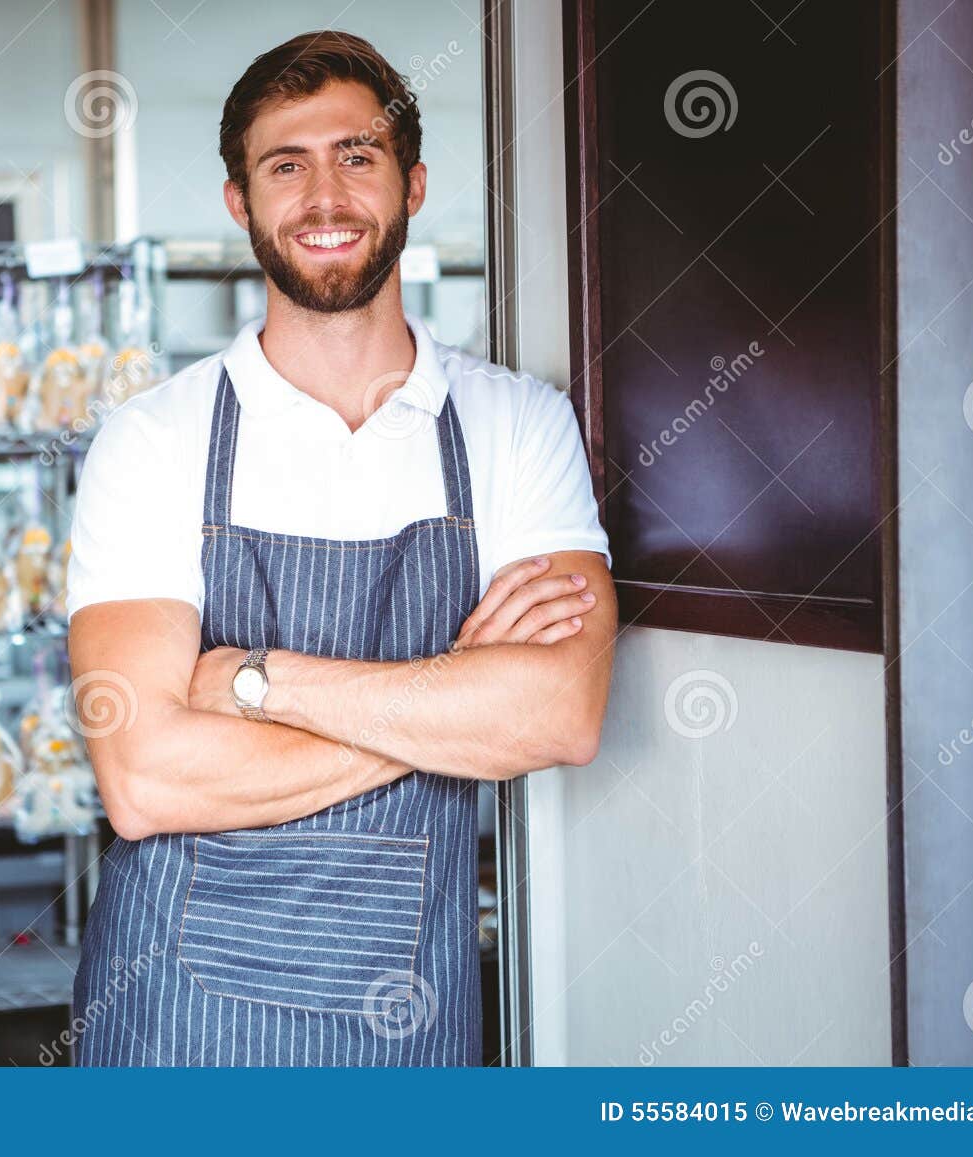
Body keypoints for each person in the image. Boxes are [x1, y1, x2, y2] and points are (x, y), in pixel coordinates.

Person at [66, 29, 616, 1067]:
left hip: (407, 1016)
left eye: (355, 157)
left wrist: (256, 682)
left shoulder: (515, 424)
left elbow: (561, 712)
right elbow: (145, 779)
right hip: (179, 1025)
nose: (324, 196)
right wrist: (455, 694)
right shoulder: (153, 441)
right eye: (286, 164)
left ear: (410, 184)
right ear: (239, 201)